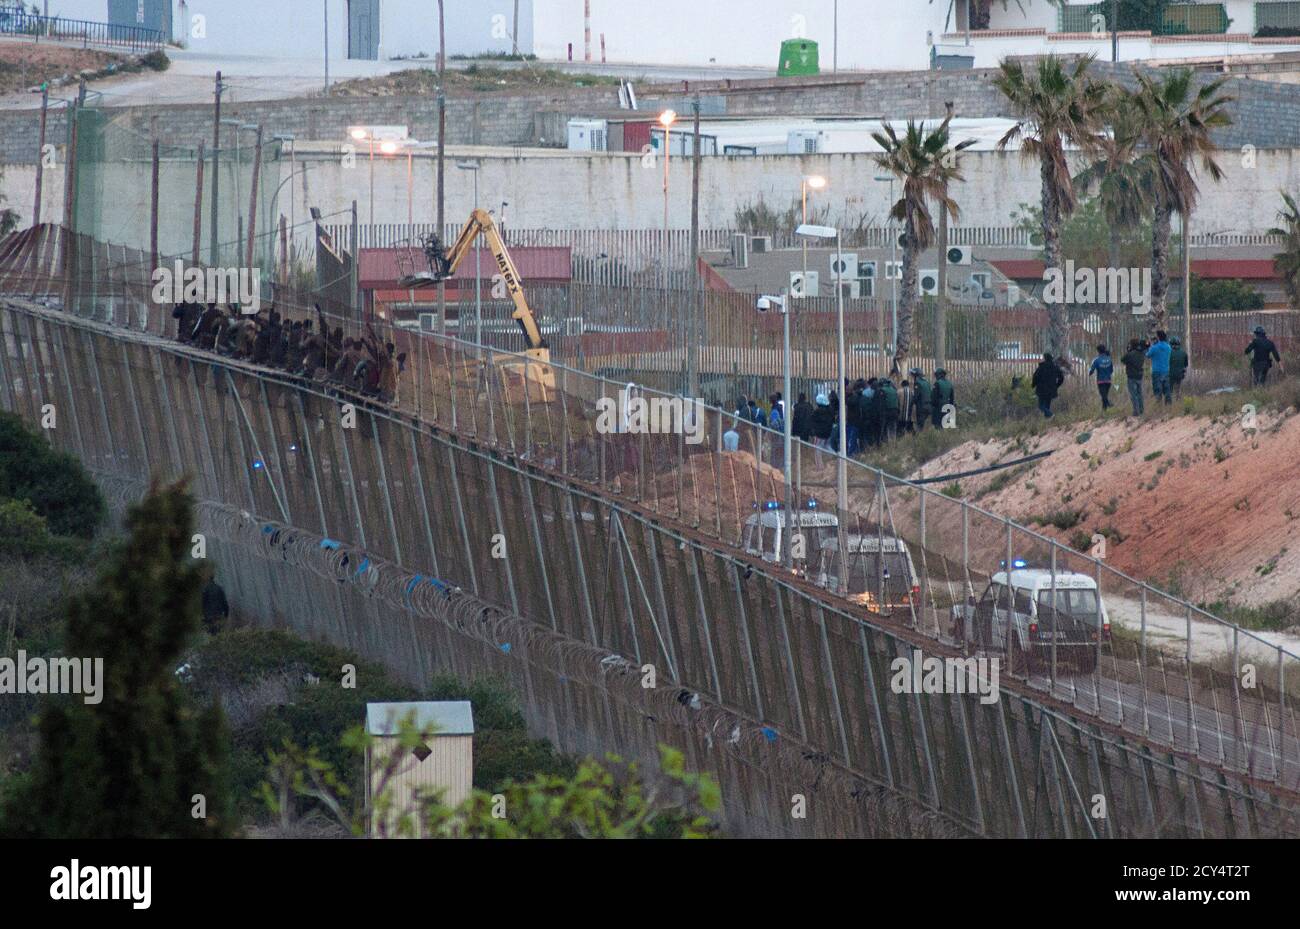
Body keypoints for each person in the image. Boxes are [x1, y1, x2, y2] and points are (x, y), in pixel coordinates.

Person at [1032, 352, 1065, 418]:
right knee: (1047, 405)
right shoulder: (1055, 367)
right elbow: (1061, 377)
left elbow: (1035, 377)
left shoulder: (1041, 367)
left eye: (1043, 358)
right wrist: (1056, 385)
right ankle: (1048, 420)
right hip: (1051, 390)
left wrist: (1033, 385)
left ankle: (1051, 414)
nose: (1042, 359)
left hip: (1041, 390)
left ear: (1045, 358)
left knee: (1041, 406)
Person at [1146, 330, 1173, 406]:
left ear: (1158, 337)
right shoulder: (1168, 347)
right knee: (1167, 390)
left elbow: (1148, 355)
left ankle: (1158, 406)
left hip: (1156, 371)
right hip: (1166, 371)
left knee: (1158, 391)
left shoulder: (1155, 347)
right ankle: (1168, 406)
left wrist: (1150, 346)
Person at [1121, 338, 1146, 416]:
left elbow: (1122, 360)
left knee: (1133, 394)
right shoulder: (1142, 353)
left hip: (1131, 376)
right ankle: (1141, 410)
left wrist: (1128, 351)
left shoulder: (1130, 354)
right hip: (1139, 376)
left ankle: (1136, 411)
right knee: (1139, 394)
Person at [1088, 344, 1114, 410]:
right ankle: (1104, 411)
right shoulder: (1109, 359)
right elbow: (1111, 370)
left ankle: (1108, 403)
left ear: (1098, 351)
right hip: (1108, 381)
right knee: (1104, 395)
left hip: (1101, 381)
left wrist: (1089, 372)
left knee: (1103, 396)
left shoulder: (1096, 360)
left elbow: (1091, 371)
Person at [874, 376, 899, 442]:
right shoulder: (894, 389)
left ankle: (885, 444)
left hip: (886, 412)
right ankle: (893, 442)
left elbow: (881, 403)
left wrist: (879, 414)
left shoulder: (882, 390)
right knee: (893, 427)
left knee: (884, 428)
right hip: (895, 412)